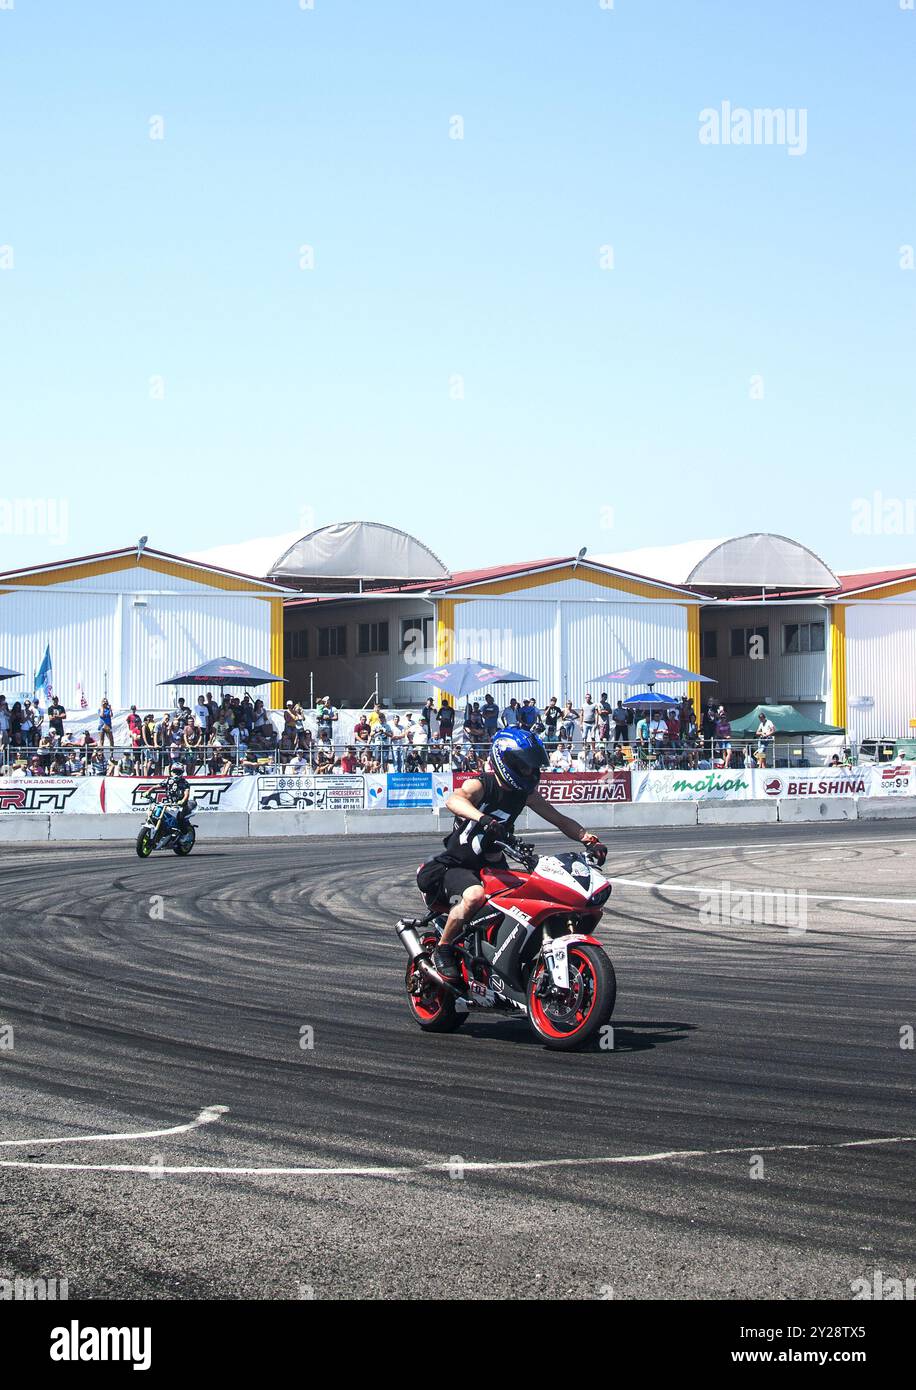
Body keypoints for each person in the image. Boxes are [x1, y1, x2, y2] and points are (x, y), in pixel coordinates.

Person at [418, 727, 607, 984]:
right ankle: (444, 949)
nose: (530, 772)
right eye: (525, 766)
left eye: (532, 767)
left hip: (496, 866)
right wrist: (483, 818)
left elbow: (560, 819)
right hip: (458, 865)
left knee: (533, 898)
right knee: (474, 896)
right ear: (506, 761)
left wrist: (588, 839)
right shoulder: (482, 784)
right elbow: (454, 800)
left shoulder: (524, 794)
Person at [164, 760, 193, 832]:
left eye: (178, 772)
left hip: (181, 805)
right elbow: (156, 786)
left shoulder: (185, 783)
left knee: (180, 818)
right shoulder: (168, 780)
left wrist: (183, 801)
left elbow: (187, 794)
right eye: (175, 771)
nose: (176, 774)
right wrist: (148, 791)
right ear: (171, 772)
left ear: (182, 772)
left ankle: (183, 833)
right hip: (169, 804)